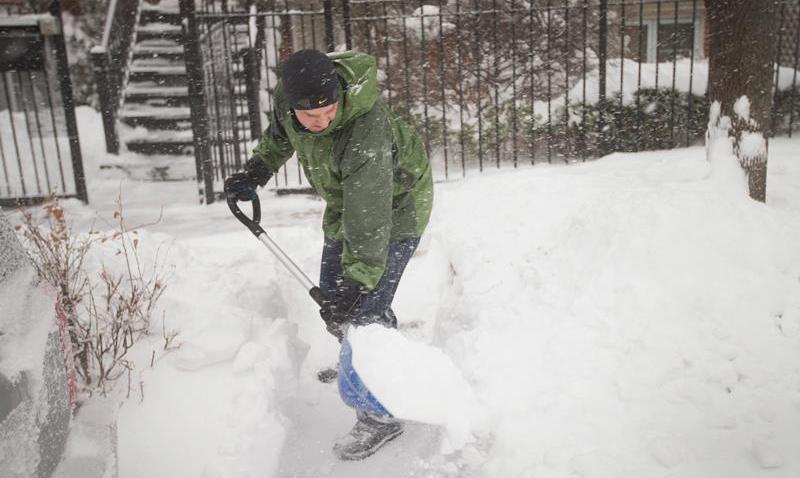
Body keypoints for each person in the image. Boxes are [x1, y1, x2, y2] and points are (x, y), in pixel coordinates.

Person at [224, 49, 433, 460]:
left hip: (397, 207)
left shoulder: (366, 130)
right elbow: (281, 135)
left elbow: (370, 216)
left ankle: (381, 415)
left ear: (338, 94)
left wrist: (361, 280)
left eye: (329, 112)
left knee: (360, 309)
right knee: (337, 300)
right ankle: (371, 357)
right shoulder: (291, 103)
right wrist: (256, 171)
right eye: (310, 116)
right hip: (347, 203)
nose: (321, 122)